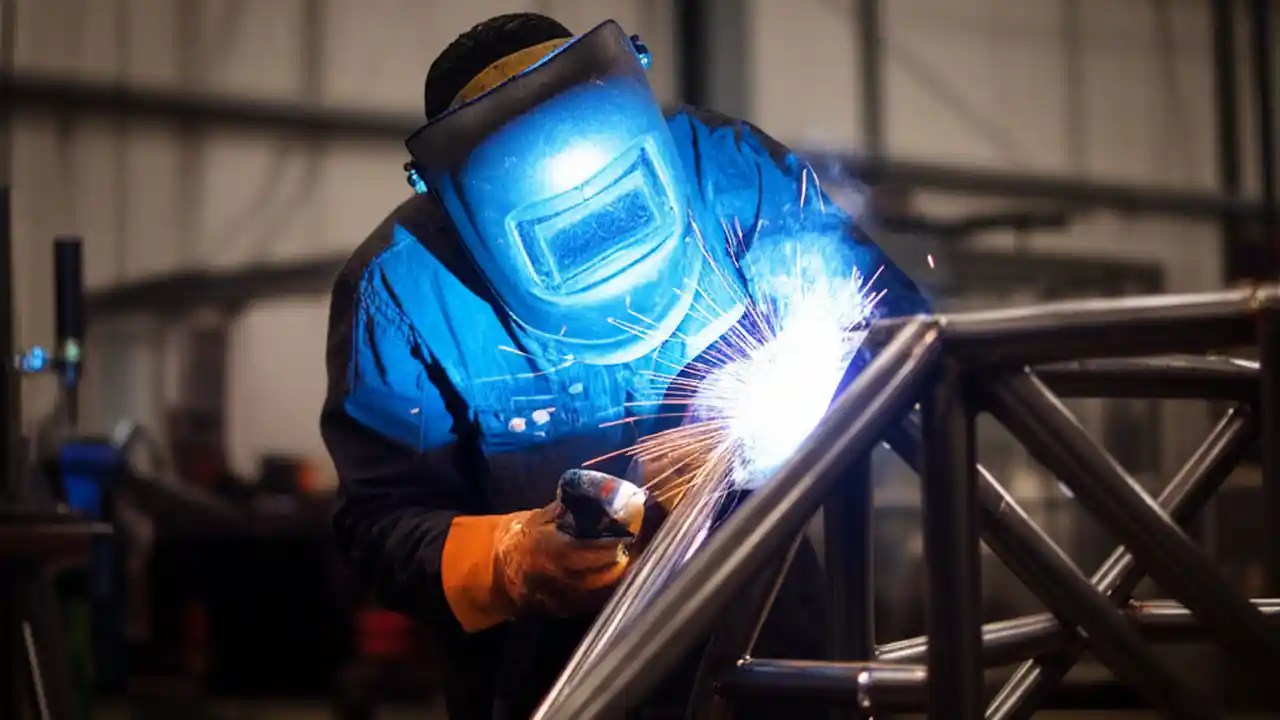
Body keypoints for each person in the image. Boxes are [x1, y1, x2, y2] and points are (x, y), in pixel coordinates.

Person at [321, 12, 927, 719]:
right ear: (456, 193)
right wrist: (511, 560)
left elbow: (893, 336)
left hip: (776, 662)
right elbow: (378, 522)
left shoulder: (723, 173)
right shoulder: (403, 292)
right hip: (556, 685)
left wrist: (791, 396)